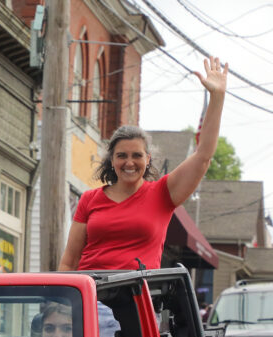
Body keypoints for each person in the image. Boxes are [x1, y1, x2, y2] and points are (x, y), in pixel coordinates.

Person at [58, 57, 228, 273]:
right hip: (93, 296)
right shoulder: (89, 200)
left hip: (139, 297)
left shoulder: (162, 194)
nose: (129, 162)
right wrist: (62, 304)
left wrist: (217, 97)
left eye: (137, 155)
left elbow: (203, 156)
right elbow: (69, 262)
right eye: (121, 156)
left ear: (147, 159)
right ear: (111, 160)